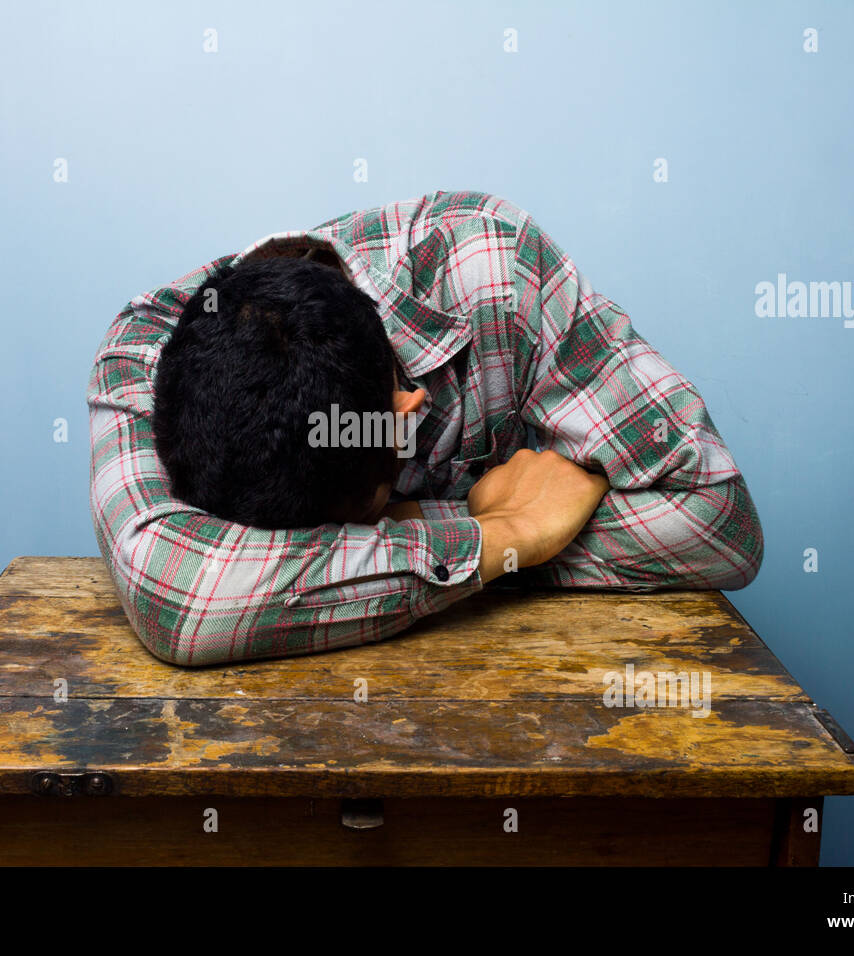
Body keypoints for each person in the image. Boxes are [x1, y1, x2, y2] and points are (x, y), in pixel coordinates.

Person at [87, 189, 763, 666]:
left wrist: (384, 546)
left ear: (400, 415)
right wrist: (505, 535)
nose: (339, 547)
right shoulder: (143, 355)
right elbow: (174, 598)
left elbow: (719, 525)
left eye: (357, 520)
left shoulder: (497, 272)